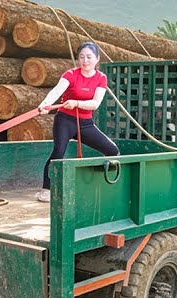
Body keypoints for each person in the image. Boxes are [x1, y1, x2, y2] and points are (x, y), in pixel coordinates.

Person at [34, 41, 120, 202]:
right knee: (58, 152)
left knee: (113, 151)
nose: (85, 61)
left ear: (97, 59)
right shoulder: (71, 74)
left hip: (85, 123)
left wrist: (77, 103)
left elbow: (95, 104)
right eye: (81, 57)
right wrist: (45, 105)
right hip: (65, 121)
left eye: (89, 57)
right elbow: (56, 92)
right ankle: (46, 189)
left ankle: (100, 182)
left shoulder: (101, 78)